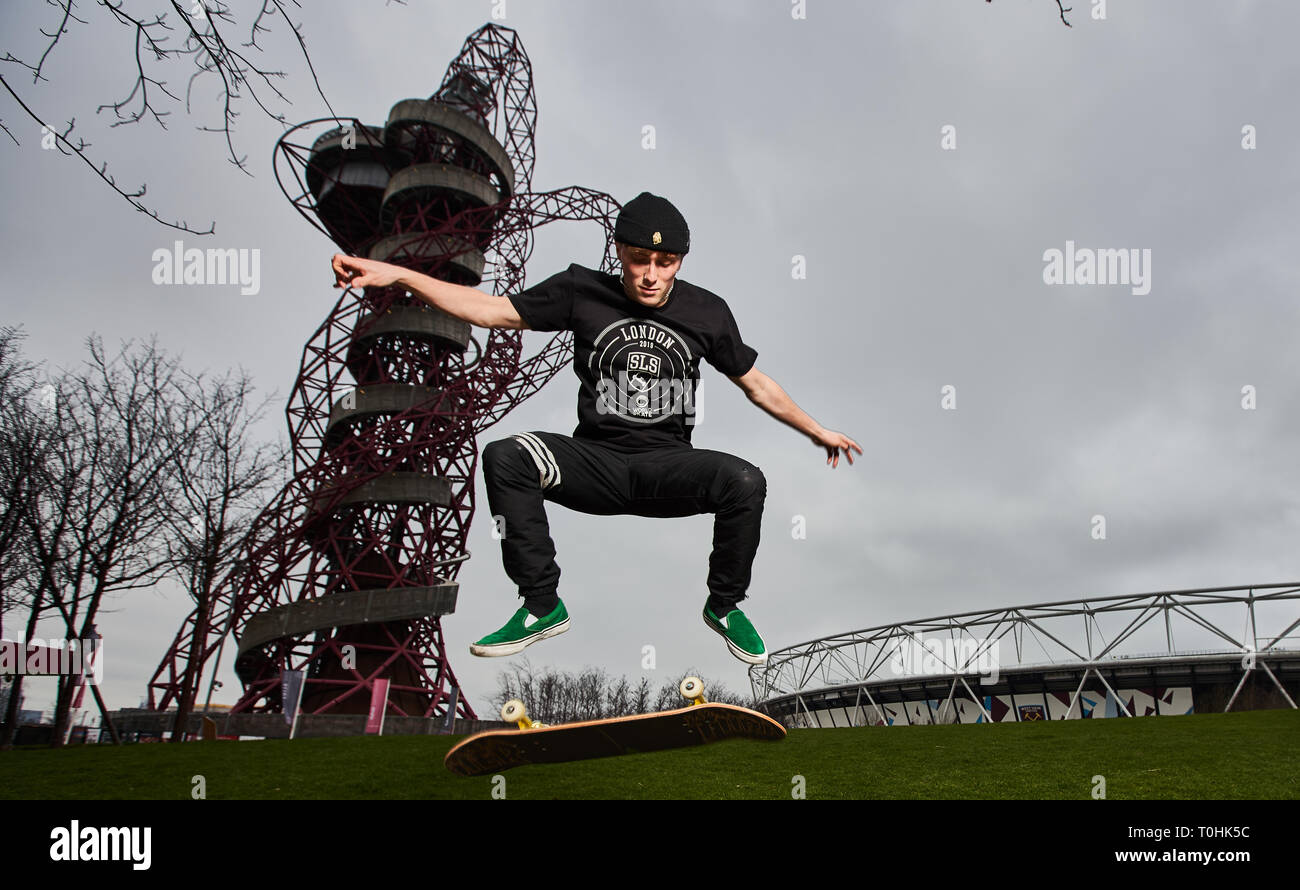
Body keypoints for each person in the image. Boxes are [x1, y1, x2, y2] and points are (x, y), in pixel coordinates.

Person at [331, 192, 860, 665]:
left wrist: (818, 430)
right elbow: (491, 311)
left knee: (746, 481)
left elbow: (756, 383)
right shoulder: (580, 290)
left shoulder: (708, 311)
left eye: (665, 262)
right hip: (595, 463)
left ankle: (724, 606)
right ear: (619, 253)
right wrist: (401, 276)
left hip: (667, 467)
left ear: (679, 261)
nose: (651, 275)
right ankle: (541, 604)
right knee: (505, 455)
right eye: (638, 261)